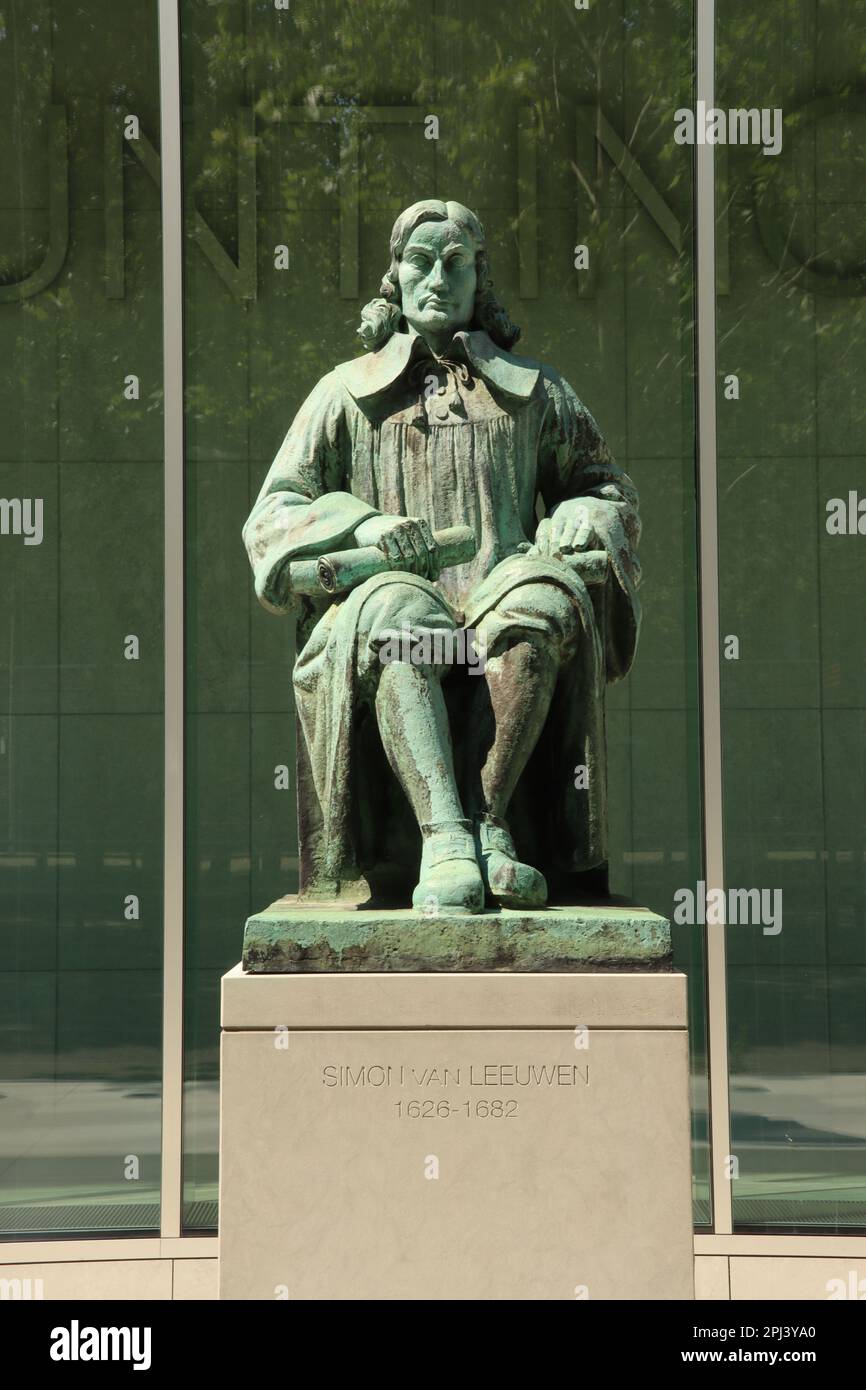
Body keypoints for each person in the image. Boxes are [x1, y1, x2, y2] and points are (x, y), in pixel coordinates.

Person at [244, 199, 641, 915]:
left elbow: (606, 488)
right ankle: (444, 837)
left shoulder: (536, 392)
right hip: (387, 606)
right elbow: (273, 517)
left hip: (498, 595)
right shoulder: (344, 395)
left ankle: (490, 825)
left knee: (541, 603)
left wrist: (581, 520)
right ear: (394, 277)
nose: (437, 276)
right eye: (420, 261)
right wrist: (363, 528)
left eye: (455, 263)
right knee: (402, 614)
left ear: (478, 277)